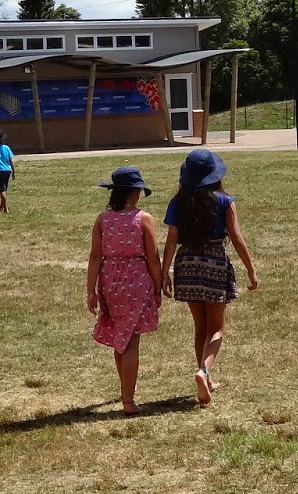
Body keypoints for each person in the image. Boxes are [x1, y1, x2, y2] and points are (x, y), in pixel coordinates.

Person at [161, 149, 257, 406]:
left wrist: (164, 273)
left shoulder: (177, 204)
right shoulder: (224, 201)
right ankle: (204, 371)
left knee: (200, 326)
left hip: (187, 263)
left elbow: (171, 241)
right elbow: (236, 238)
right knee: (216, 328)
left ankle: (206, 377)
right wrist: (250, 268)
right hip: (214, 261)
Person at [87, 166, 163, 415]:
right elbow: (153, 258)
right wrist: (158, 285)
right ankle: (128, 400)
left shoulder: (103, 219)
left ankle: (124, 391)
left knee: (120, 338)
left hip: (110, 282)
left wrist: (91, 290)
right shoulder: (144, 219)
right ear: (135, 192)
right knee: (131, 342)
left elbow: (95, 257)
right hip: (137, 280)